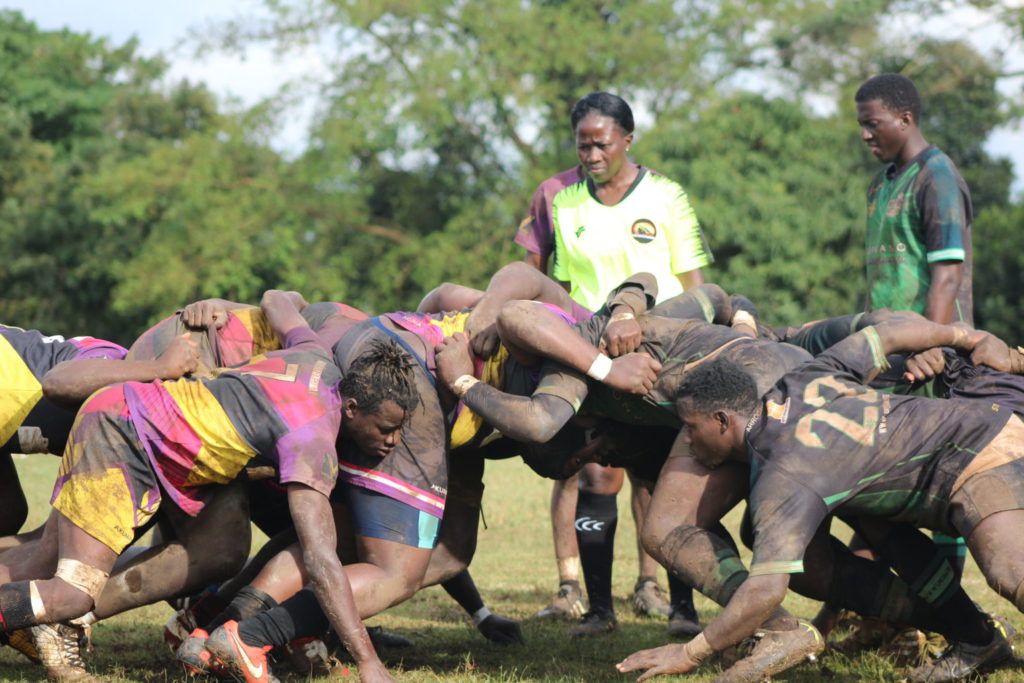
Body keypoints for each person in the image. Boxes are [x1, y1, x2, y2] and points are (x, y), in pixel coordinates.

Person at [0, 290, 400, 683]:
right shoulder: (311, 438)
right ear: (352, 407)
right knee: (68, 592)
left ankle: (59, 617)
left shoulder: (313, 354)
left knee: (72, 568)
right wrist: (367, 661)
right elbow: (320, 558)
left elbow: (280, 299)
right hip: (125, 436)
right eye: (387, 427)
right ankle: (54, 619)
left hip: (128, 426)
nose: (393, 441)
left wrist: (223, 306)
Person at [617, 319, 1022, 682]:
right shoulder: (804, 378)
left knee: (1010, 573)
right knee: (874, 524)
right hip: (978, 434)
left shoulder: (782, 475)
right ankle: (976, 638)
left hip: (979, 454)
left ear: (723, 420)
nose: (687, 441)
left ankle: (974, 634)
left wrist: (689, 653)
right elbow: (887, 333)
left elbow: (765, 592)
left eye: (691, 428)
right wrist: (965, 335)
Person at [519, 90, 714, 637]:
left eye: (602, 144)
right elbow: (557, 291)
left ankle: (683, 609)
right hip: (592, 361)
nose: (591, 155)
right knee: (597, 474)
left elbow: (695, 285)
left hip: (662, 357)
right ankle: (600, 611)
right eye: (582, 145)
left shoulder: (667, 196)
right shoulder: (565, 204)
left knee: (666, 477)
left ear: (628, 140)